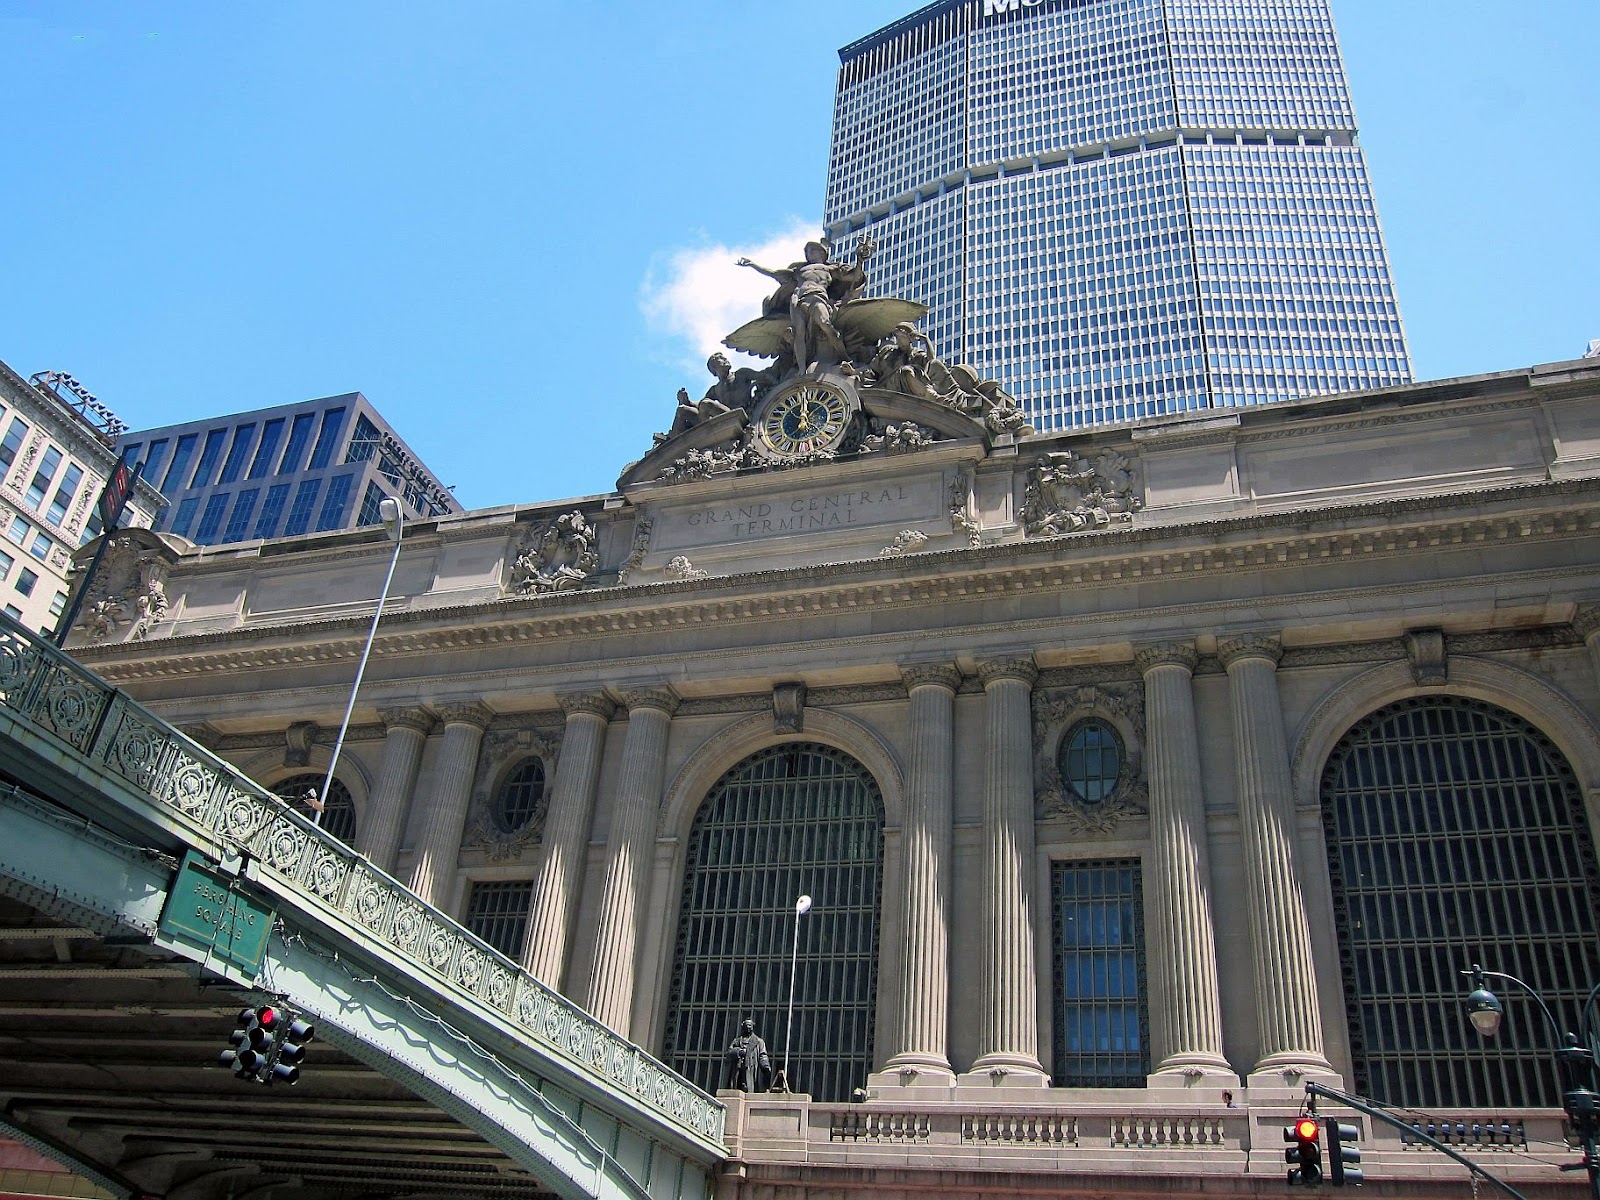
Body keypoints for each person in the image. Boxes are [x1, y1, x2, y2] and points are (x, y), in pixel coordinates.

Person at [738, 237, 872, 374]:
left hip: (817, 297)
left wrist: (860, 260)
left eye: (812, 250)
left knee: (826, 325)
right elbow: (774, 273)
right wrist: (753, 265)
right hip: (797, 300)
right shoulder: (799, 270)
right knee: (799, 334)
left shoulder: (831, 269)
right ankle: (802, 370)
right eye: (807, 251)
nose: (808, 253)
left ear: (822, 252)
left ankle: (844, 357)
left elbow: (855, 276)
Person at [725, 1019, 772, 1092]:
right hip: (738, 1068)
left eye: (750, 1025)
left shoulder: (759, 1041)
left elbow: (763, 1055)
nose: (748, 1027)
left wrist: (765, 1065)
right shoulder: (737, 1041)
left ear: (753, 1027)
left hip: (751, 1068)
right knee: (736, 1086)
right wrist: (739, 1052)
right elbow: (729, 1053)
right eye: (746, 1025)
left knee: (750, 1086)